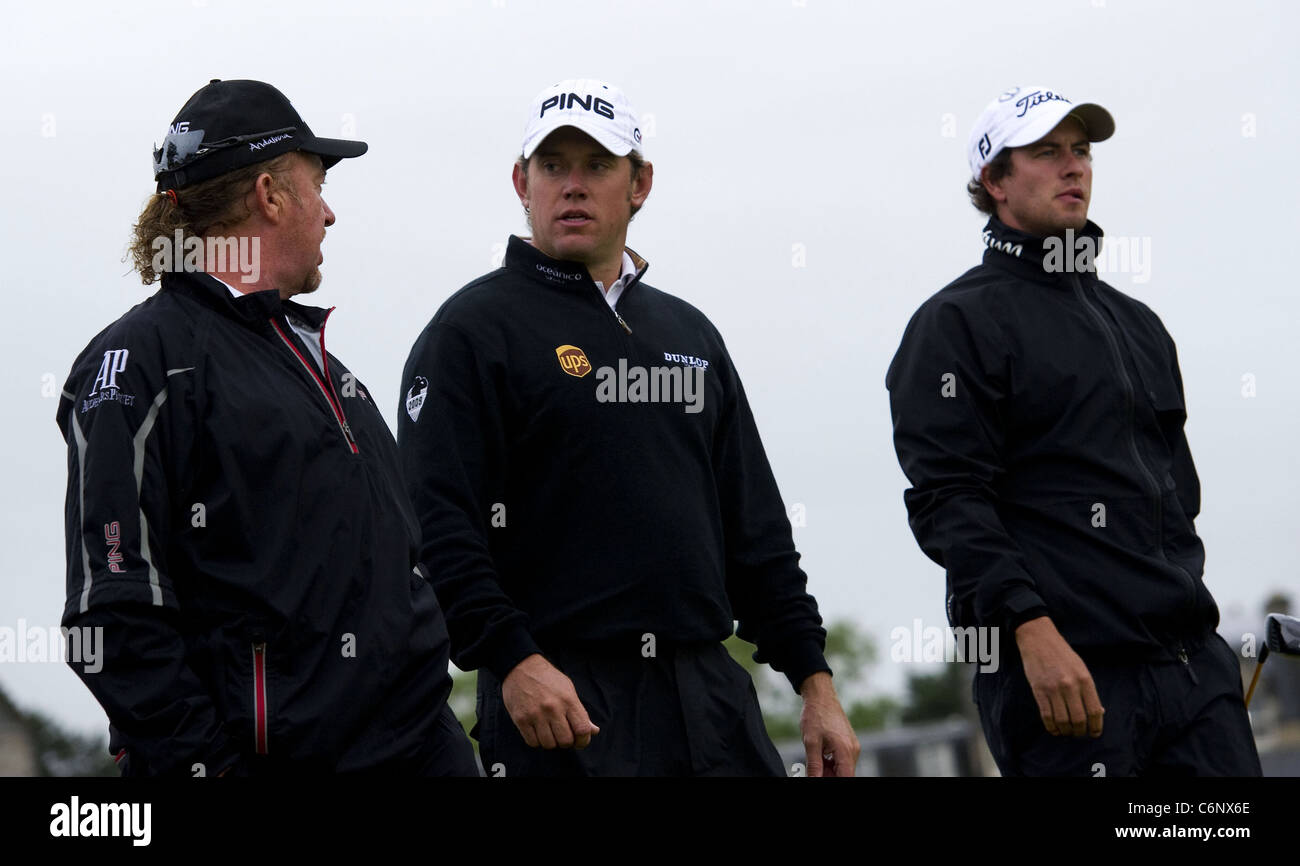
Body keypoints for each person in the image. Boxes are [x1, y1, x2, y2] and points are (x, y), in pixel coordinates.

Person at [398, 78, 858, 776]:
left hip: (710, 694)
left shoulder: (690, 332)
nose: (572, 187)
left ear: (639, 183)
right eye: (553, 167)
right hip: (562, 705)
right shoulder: (470, 332)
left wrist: (815, 682)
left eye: (597, 166)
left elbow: (756, 531)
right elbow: (438, 527)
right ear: (521, 182)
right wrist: (513, 660)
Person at [57, 79, 475, 776]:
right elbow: (114, 614)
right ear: (269, 194)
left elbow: (405, 568)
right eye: (318, 185)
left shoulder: (333, 373)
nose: (332, 214)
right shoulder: (137, 364)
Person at [886, 85, 1262, 776]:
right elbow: (948, 501)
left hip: (1192, 678)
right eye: (1047, 152)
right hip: (1061, 680)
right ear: (995, 180)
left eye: (1082, 151)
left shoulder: (1140, 324)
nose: (1074, 167)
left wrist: (1206, 654)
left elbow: (1178, 502)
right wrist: (1031, 630)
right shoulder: (954, 324)